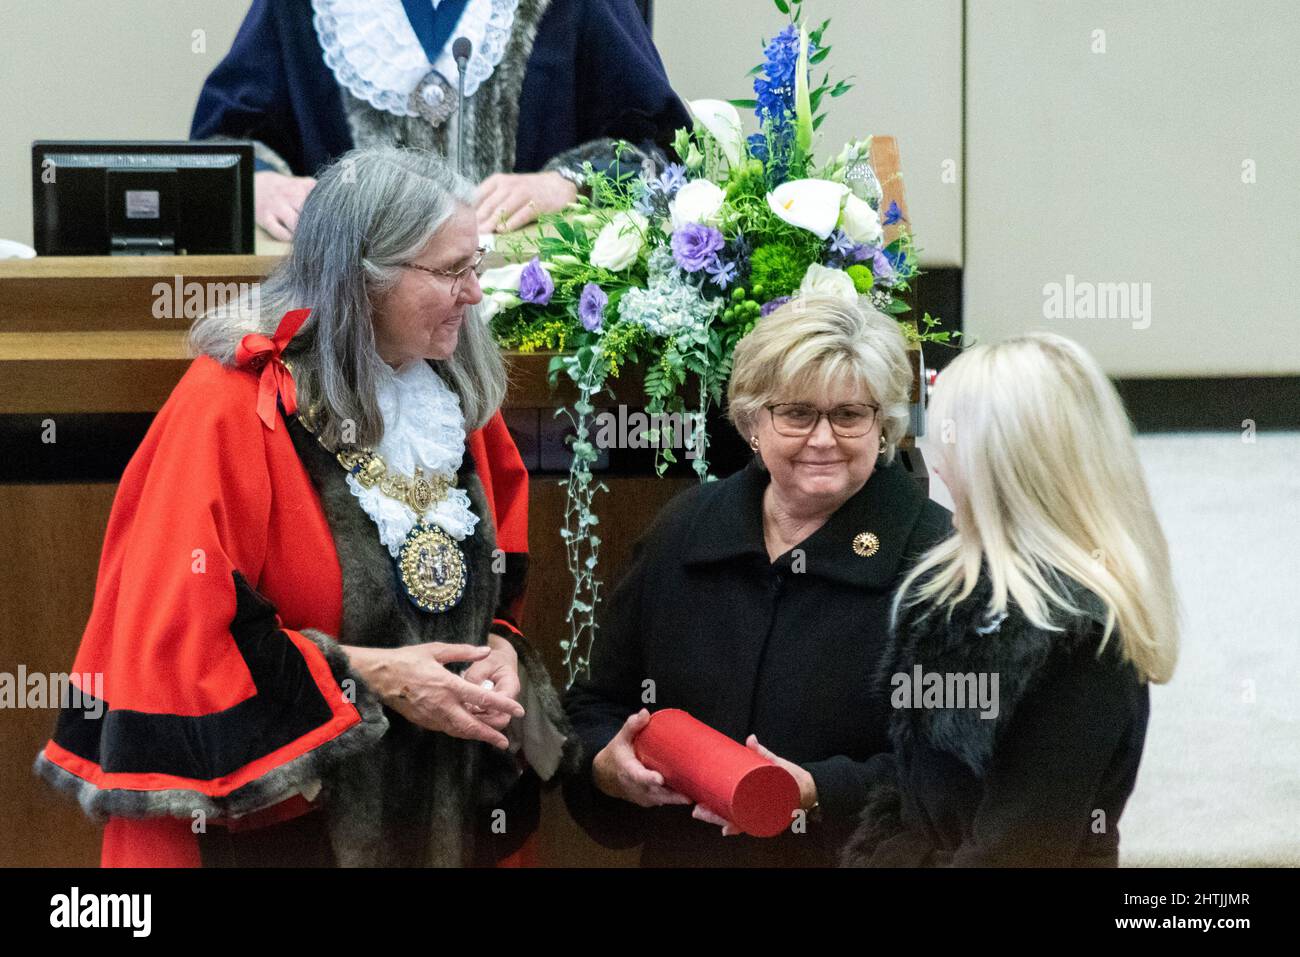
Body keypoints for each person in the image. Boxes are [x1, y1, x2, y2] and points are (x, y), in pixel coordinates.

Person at [34, 146, 574, 867]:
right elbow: (183, 640)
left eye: (476, 264)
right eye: (451, 271)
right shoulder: (228, 407)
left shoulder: (453, 395)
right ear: (363, 279)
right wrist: (371, 673)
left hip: (445, 806)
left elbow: (499, 569)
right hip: (293, 822)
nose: (476, 293)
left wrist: (502, 646)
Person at [562, 295, 953, 866]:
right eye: (796, 414)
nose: (822, 440)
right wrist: (606, 766)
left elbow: (958, 768)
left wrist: (817, 791)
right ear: (752, 423)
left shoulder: (937, 559)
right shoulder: (687, 528)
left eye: (849, 415)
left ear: (884, 424)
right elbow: (597, 703)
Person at [842, 333, 1179, 867]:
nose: (937, 461)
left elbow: (1012, 855)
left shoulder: (1079, 645)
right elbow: (915, 794)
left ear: (996, 463)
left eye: (947, 438)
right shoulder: (959, 590)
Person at [190, 0, 690, 239]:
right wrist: (260, 183)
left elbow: (665, 153)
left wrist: (567, 184)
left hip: (528, 327)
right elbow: (222, 141)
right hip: (344, 332)